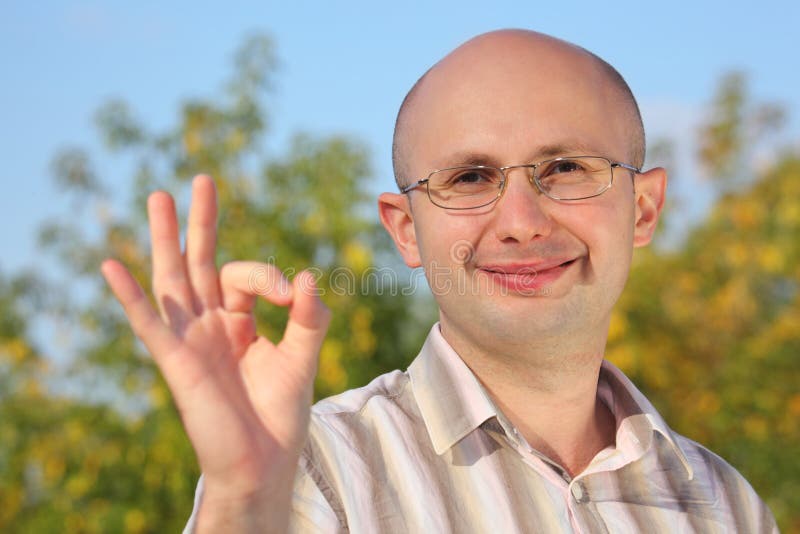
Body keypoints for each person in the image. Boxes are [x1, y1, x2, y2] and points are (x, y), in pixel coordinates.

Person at [102, 29, 777, 532]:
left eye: (567, 167)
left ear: (645, 208)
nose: (520, 222)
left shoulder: (728, 506)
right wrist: (242, 501)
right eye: (469, 178)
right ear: (404, 230)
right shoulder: (316, 474)